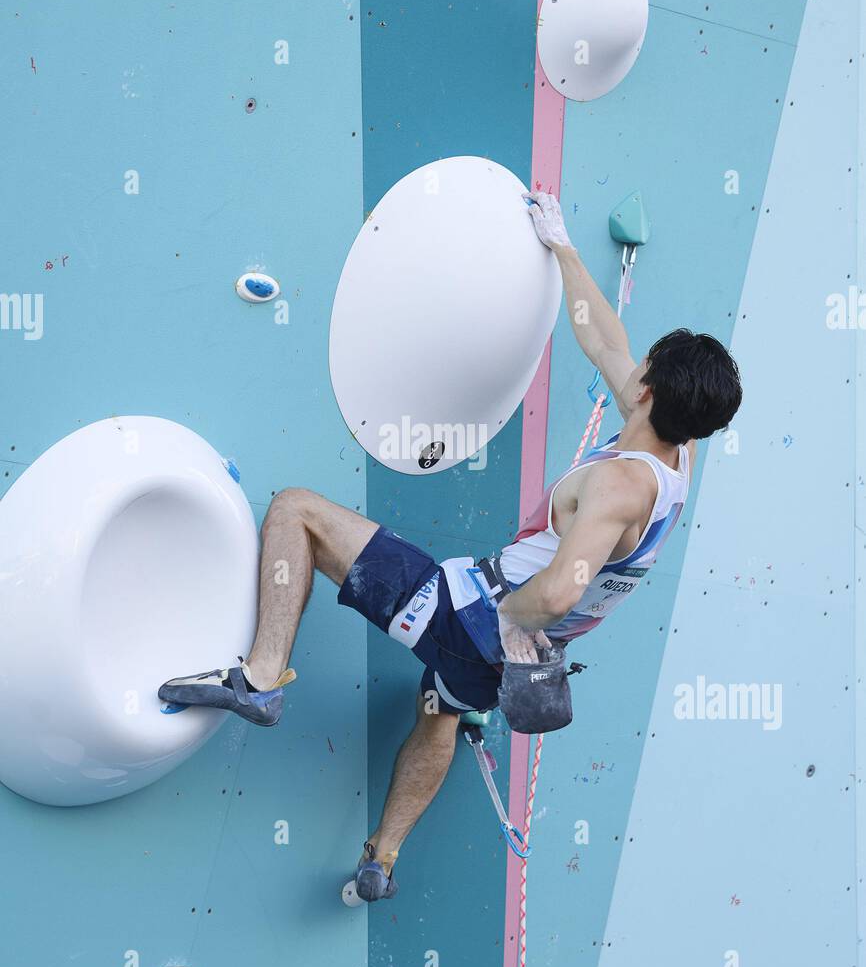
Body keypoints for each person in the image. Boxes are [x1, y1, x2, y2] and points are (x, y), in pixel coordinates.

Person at [159, 193, 742, 901]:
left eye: (640, 373)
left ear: (647, 392)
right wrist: (562, 247)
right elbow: (605, 341)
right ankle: (383, 857)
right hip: (501, 661)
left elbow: (559, 591)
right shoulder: (678, 457)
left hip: (474, 617)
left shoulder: (620, 487)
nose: (632, 373)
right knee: (439, 710)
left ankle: (260, 678)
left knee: (294, 511)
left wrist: (492, 629)